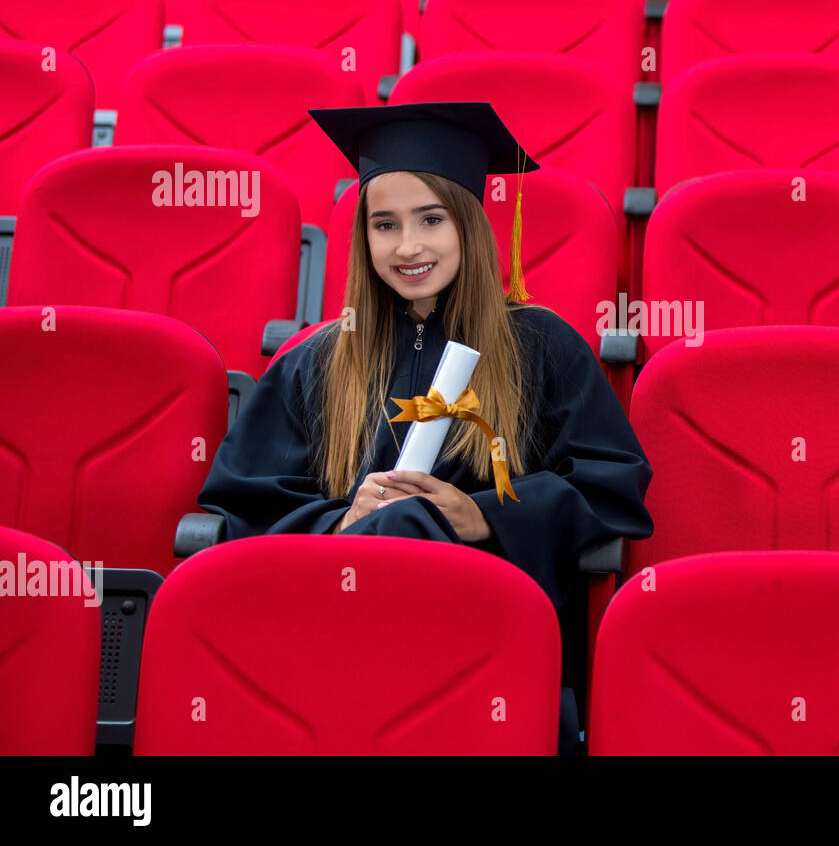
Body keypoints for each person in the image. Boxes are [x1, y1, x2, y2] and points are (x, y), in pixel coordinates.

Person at [195, 102, 654, 752]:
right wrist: (342, 521)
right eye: (385, 225)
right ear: (364, 238)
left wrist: (484, 515)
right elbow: (241, 509)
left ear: (469, 225)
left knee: (416, 521)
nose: (408, 245)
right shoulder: (316, 362)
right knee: (393, 525)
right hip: (333, 643)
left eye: (431, 219)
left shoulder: (543, 348)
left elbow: (612, 488)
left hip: (483, 651)